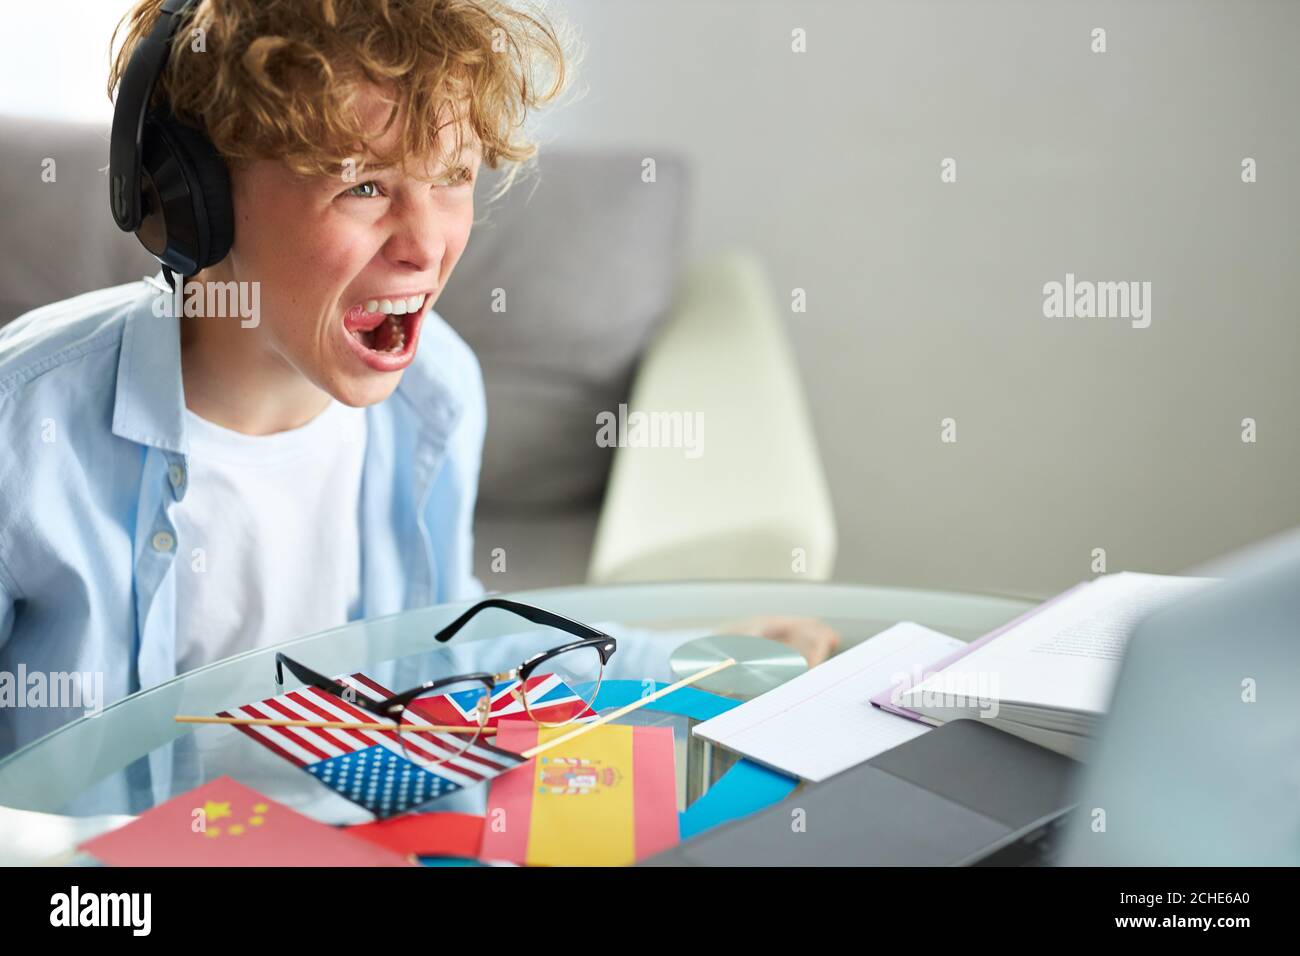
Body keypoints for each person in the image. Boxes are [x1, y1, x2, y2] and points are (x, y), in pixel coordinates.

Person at [0, 0, 837, 762]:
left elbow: (439, 636)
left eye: (454, 178)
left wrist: (687, 658)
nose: (427, 244)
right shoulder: (24, 427)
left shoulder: (435, 392)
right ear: (193, 201)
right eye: (363, 186)